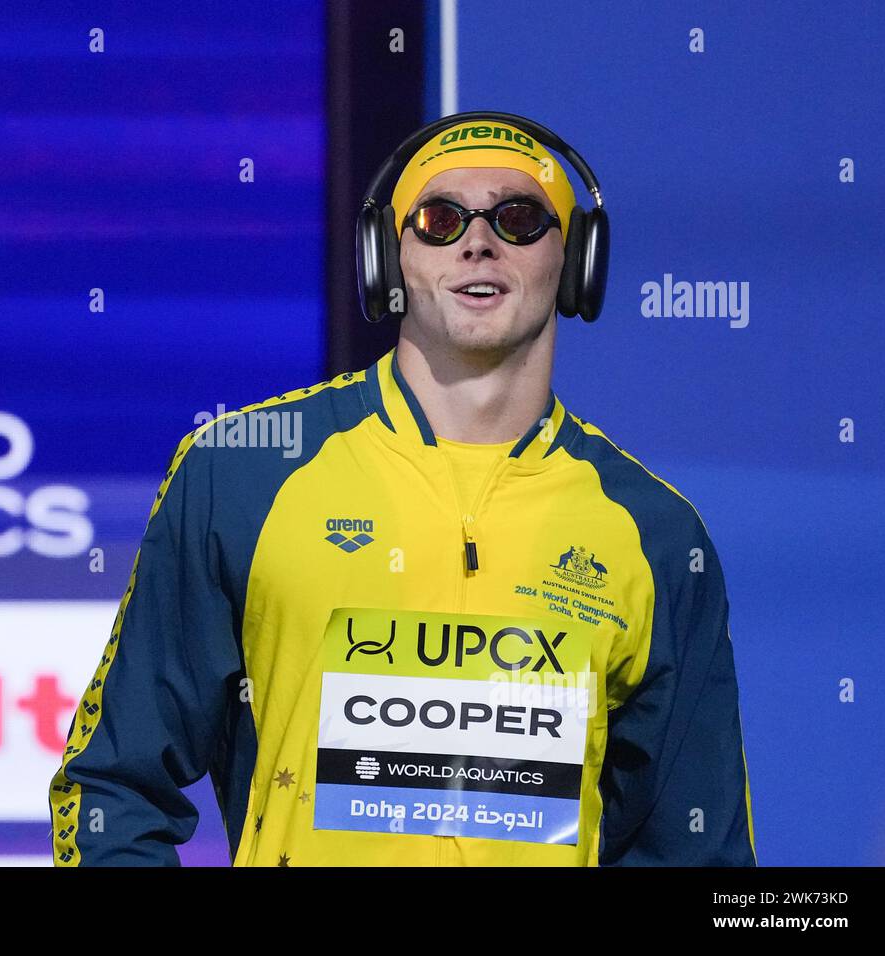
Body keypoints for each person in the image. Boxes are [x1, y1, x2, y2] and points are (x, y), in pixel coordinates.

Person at [49, 113, 756, 867]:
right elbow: (108, 789)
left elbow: (698, 852)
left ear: (579, 258)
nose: (477, 242)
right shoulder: (241, 473)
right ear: (386, 258)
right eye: (439, 219)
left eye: (518, 219)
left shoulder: (654, 533)